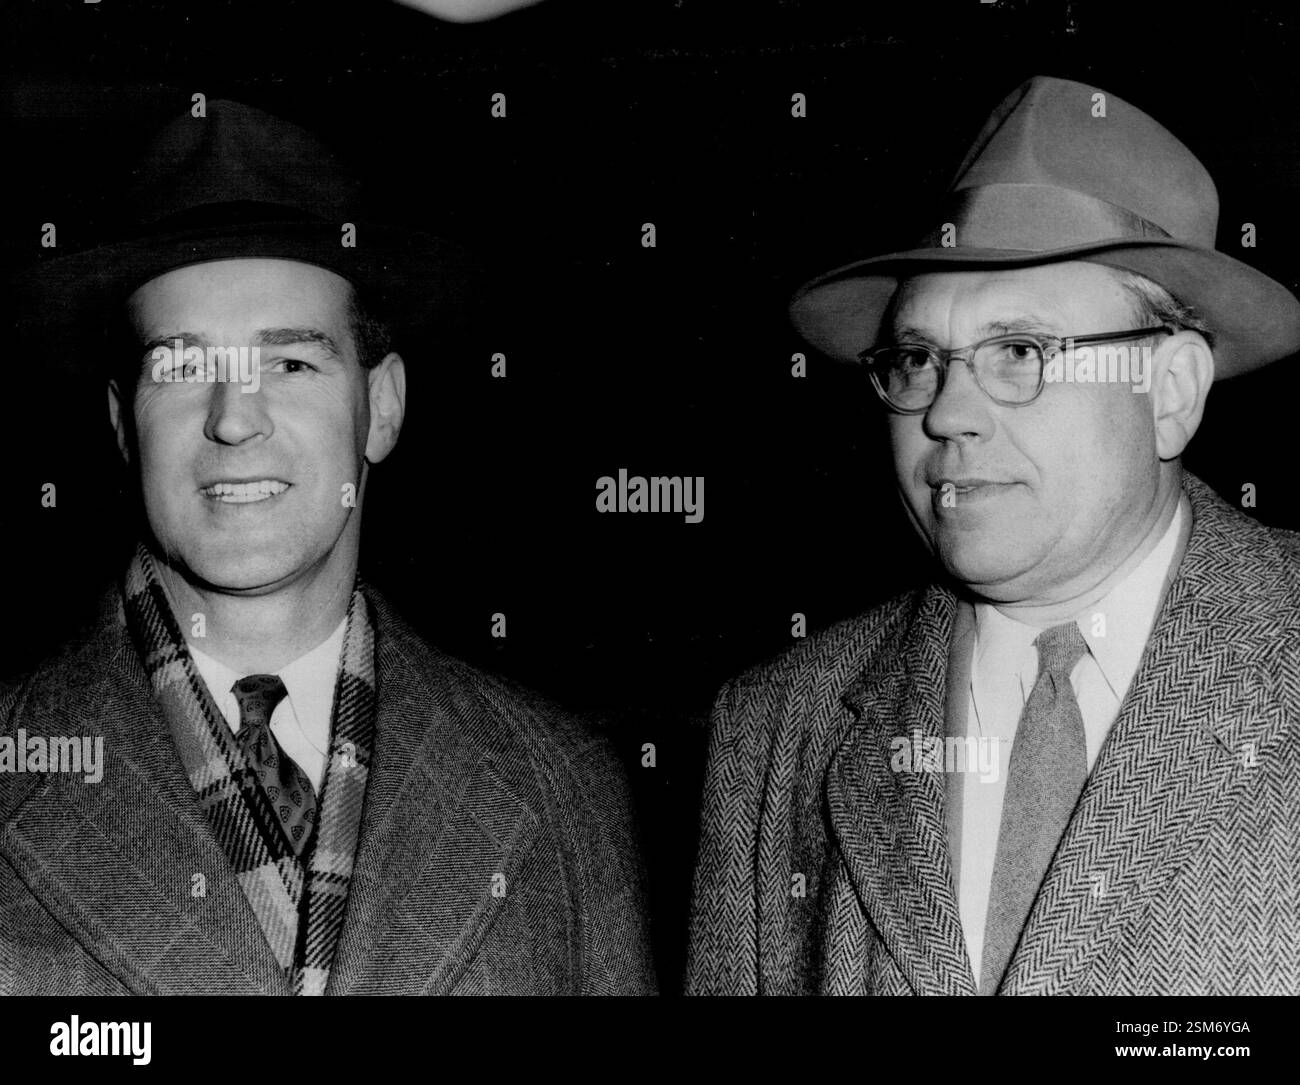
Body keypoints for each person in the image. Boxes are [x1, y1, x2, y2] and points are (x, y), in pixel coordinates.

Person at [0, 99, 654, 996]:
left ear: (380, 406)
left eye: (292, 362)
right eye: (181, 368)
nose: (234, 418)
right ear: (123, 423)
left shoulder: (563, 785)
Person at [686, 75, 1300, 995]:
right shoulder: (777, 731)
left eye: (1019, 352)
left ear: (1169, 392)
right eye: (919, 360)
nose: (949, 414)